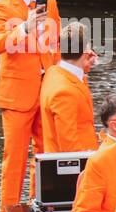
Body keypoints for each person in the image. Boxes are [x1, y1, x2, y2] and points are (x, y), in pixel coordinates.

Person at [0, 0, 61, 212]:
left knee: (44, 158)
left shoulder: (50, 4)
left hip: (46, 91)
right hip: (17, 96)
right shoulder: (2, 6)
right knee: (15, 160)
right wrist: (25, 29)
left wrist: (77, 55)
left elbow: (55, 44)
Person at [40, 21, 100, 154]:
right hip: (77, 168)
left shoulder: (53, 72)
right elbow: (69, 147)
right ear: (85, 53)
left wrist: (84, 65)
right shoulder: (65, 92)